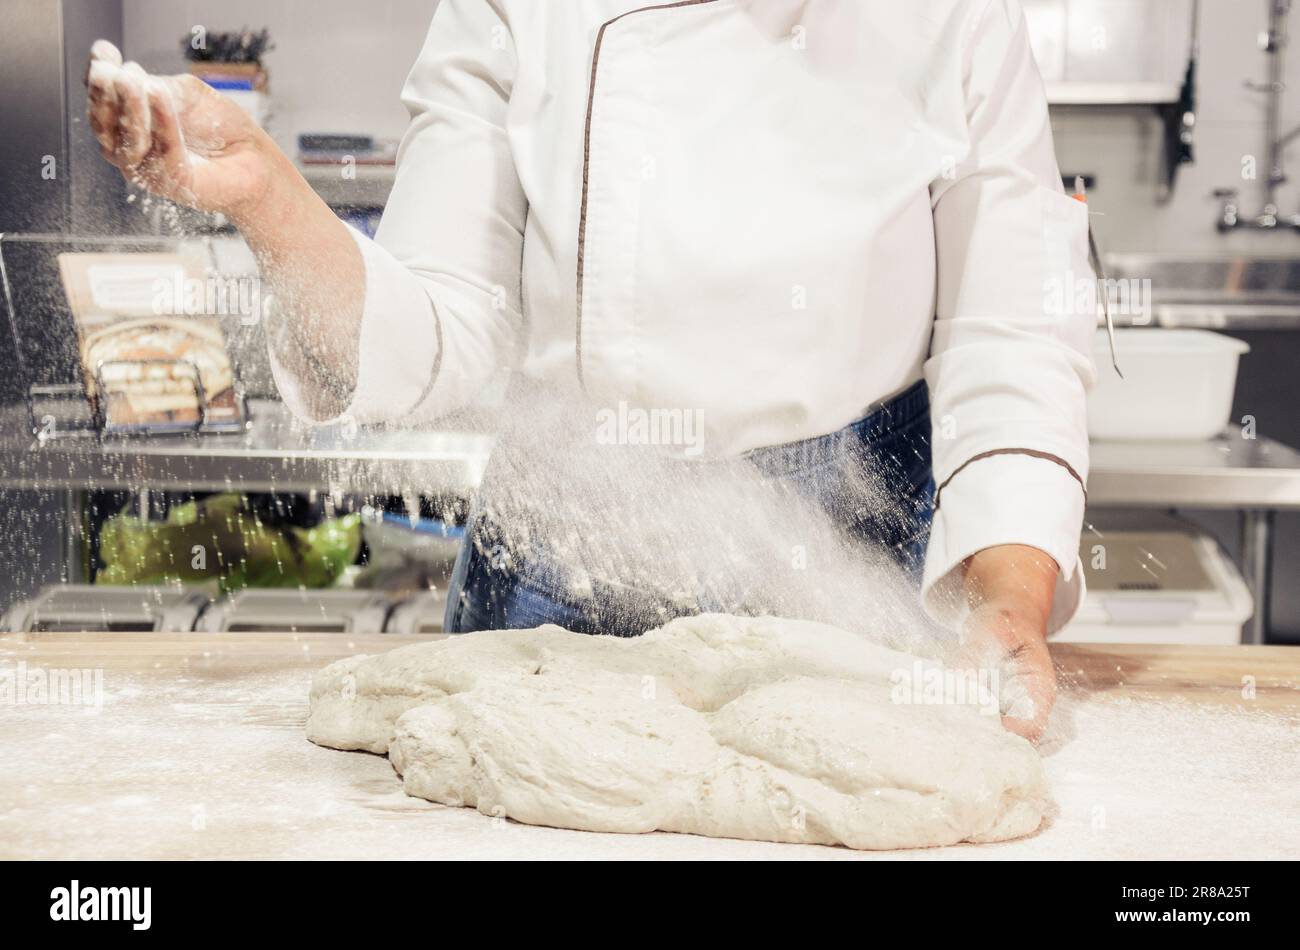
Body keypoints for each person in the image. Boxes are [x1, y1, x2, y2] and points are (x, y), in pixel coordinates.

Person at [85, 0, 1095, 740]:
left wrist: (1008, 596)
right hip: (562, 576)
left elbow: (1005, 328)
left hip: (847, 577)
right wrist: (269, 201)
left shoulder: (956, 17)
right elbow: (435, 331)